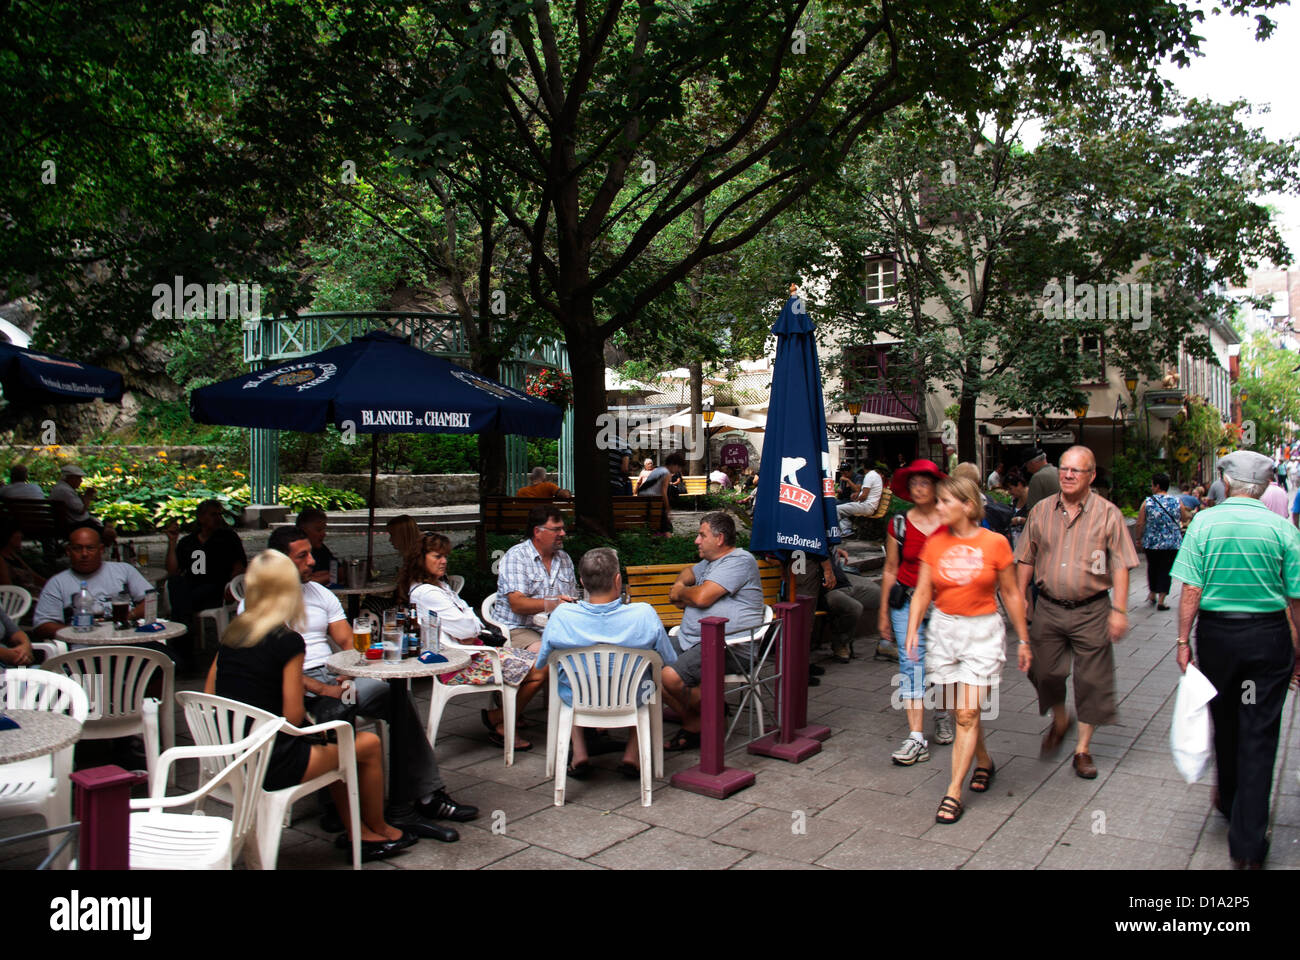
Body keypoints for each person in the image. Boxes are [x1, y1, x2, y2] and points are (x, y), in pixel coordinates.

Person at [255, 525, 477, 841]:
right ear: (279, 561)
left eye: (310, 554)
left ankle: (424, 795)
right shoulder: (260, 601)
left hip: (334, 671)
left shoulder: (320, 593)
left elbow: (347, 640)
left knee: (396, 697)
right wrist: (321, 687)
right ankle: (336, 807)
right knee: (336, 710)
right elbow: (265, 665)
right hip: (292, 685)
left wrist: (350, 671)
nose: (311, 562)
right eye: (302, 556)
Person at [207, 550, 415, 863]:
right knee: (366, 744)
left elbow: (210, 692)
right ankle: (376, 829)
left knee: (339, 743)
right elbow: (292, 716)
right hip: (269, 762)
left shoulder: (233, 633)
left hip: (230, 754)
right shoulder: (287, 641)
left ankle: (362, 831)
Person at [1171, 450, 1300, 869]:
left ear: (1226, 484)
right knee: (1259, 730)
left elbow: (1190, 589)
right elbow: (1295, 598)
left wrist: (1182, 640)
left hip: (1219, 637)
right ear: (1263, 488)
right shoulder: (1282, 529)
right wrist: (1299, 650)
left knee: (1225, 717)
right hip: (1267, 639)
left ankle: (1228, 797)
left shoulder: (1205, 523)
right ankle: (1246, 844)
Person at [905, 475, 1031, 824]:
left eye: (945, 501)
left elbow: (1010, 593)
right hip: (945, 630)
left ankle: (953, 792)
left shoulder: (995, 544)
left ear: (968, 506)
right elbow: (922, 591)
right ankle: (985, 760)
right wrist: (913, 628)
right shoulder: (935, 542)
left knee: (966, 714)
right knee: (958, 708)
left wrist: (1023, 638)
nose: (938, 506)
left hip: (982, 632)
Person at [1014, 445, 1137, 780]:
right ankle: (1060, 718)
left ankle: (1082, 750)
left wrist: (1120, 610)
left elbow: (1122, 565)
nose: (1067, 475)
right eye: (1064, 469)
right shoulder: (1040, 511)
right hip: (1049, 607)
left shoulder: (1108, 514)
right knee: (1043, 671)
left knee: (1092, 682)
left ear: (1091, 476)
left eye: (1076, 471)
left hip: (1092, 609)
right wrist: (1022, 596)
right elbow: (1026, 557)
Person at [534, 547, 678, 777]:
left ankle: (579, 753)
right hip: (631, 697)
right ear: (617, 579)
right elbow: (668, 659)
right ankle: (632, 754)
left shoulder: (562, 615)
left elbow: (542, 662)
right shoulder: (644, 614)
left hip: (578, 697)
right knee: (648, 682)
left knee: (569, 681)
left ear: (582, 581)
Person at [401, 531, 544, 751]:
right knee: (543, 666)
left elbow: (472, 624)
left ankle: (500, 716)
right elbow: (468, 626)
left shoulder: (440, 586)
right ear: (421, 558)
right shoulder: (427, 593)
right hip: (459, 662)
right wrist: (469, 624)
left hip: (474, 652)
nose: (444, 561)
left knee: (543, 663)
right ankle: (502, 720)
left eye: (445, 556)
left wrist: (469, 624)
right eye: (437, 556)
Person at [660, 512, 765, 751]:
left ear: (719, 539)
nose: (697, 540)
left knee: (669, 677)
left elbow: (703, 597)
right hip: (693, 641)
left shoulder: (739, 560)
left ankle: (713, 713)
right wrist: (680, 585)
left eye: (702, 535)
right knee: (647, 664)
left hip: (730, 646)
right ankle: (695, 722)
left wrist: (681, 594)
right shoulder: (710, 562)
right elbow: (689, 573)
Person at [878, 459, 954, 764]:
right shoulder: (899, 523)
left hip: (945, 602)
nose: (919, 489)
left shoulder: (950, 520)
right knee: (912, 665)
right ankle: (916, 737)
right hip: (907, 602)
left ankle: (944, 714)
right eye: (914, 484)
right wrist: (883, 612)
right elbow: (890, 569)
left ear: (936, 487)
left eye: (924, 483)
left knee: (946, 663)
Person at [31, 524, 152, 641]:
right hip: (85, 649)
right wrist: (76, 634)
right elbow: (43, 625)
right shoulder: (57, 583)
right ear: (68, 551)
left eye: (90, 548)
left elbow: (151, 601)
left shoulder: (124, 570)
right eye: (77, 548)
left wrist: (128, 616)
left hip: (128, 640)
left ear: (101, 550)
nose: (84, 554)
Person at [164, 499, 247, 668]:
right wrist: (172, 542)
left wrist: (231, 587)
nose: (217, 518)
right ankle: (185, 635)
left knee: (181, 605)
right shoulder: (188, 542)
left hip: (216, 588)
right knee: (175, 582)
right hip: (191, 589)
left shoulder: (228, 538)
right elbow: (173, 570)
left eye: (219, 515)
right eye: (213, 515)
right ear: (201, 518)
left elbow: (239, 567)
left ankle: (181, 644)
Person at [493, 504, 578, 649]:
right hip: (518, 628)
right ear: (537, 532)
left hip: (555, 627)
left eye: (563, 528)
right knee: (544, 654)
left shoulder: (564, 559)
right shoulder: (517, 556)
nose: (563, 533)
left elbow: (572, 599)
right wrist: (553, 603)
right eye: (556, 529)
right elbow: (517, 604)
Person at [793, 545, 880, 664]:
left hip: (843, 580)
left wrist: (834, 551)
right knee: (854, 607)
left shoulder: (828, 534)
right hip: (827, 589)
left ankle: (886, 643)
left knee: (880, 595)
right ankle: (840, 642)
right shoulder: (809, 538)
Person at [1135, 472, 1182, 611]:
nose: (1151, 487)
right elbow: (1184, 516)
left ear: (1157, 486)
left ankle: (1152, 593)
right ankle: (1162, 599)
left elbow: (1139, 523)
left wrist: (1138, 538)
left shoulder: (1148, 502)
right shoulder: (1177, 501)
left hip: (1152, 542)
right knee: (1166, 569)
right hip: (1171, 543)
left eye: (1152, 485)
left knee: (1153, 567)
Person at [0, 518, 46, 593]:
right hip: (23, 598)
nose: (21, 535)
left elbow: (35, 577)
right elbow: (8, 590)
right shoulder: (1, 560)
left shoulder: (13, 556)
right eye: (18, 532)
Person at [835, 462, 884, 528]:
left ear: (864, 467)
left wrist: (856, 500)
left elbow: (864, 496)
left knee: (837, 509)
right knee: (841, 508)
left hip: (867, 506)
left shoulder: (869, 476)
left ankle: (844, 530)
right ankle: (846, 528)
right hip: (867, 505)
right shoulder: (875, 475)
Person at [295, 508, 334, 584]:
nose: (323, 534)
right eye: (318, 530)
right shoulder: (294, 551)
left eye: (324, 529)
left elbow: (339, 572)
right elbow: (299, 581)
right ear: (303, 530)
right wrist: (328, 576)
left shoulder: (322, 550)